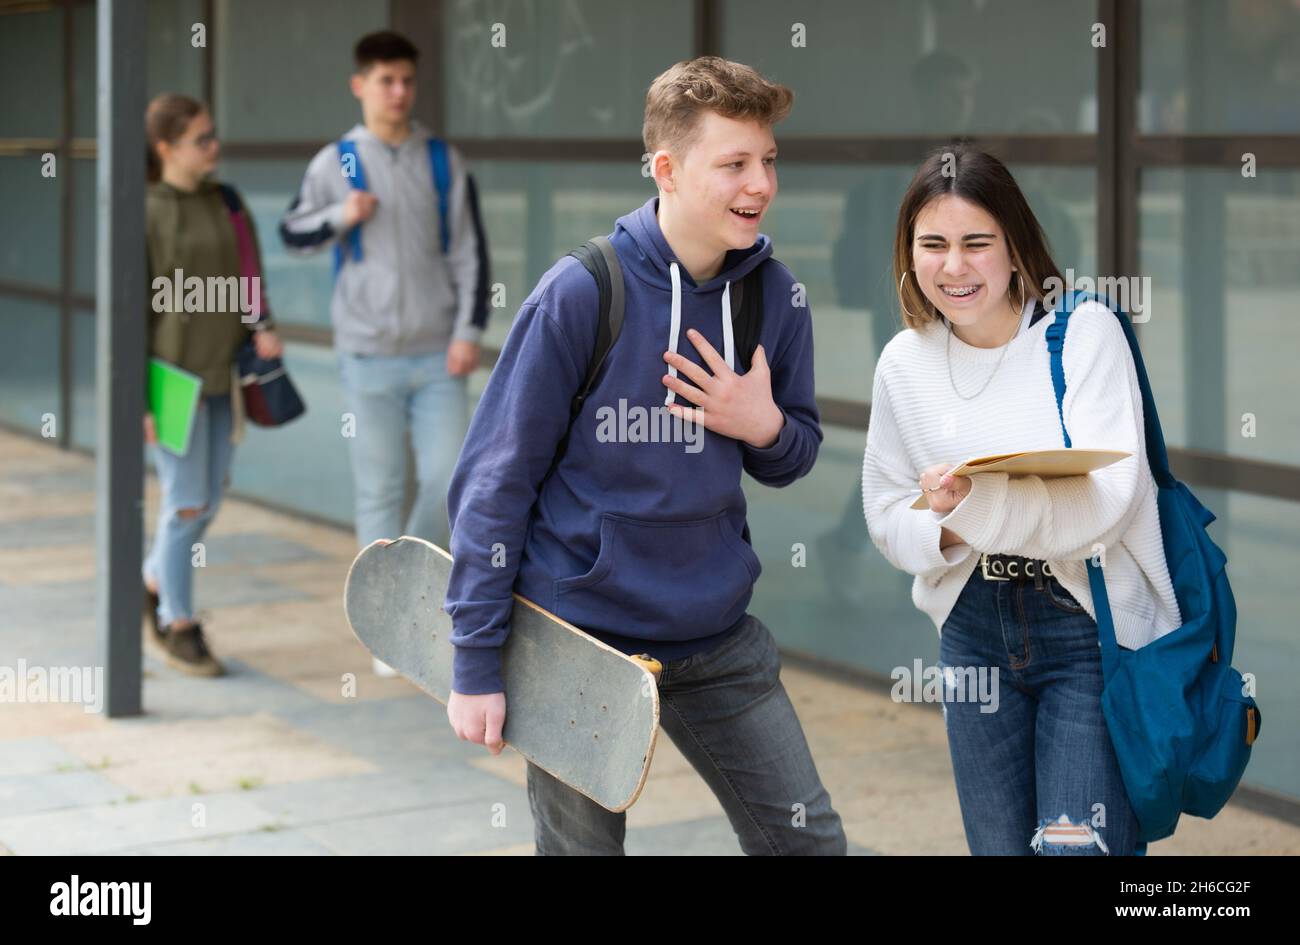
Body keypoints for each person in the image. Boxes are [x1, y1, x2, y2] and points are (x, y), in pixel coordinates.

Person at [443, 56, 846, 855]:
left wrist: (759, 423)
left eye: (767, 160)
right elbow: (496, 481)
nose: (760, 183)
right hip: (581, 644)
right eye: (734, 163)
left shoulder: (773, 297)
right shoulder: (581, 292)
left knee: (809, 843)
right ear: (666, 168)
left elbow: (791, 455)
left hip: (717, 633)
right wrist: (475, 659)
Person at [861, 145, 1181, 855]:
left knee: (1076, 848)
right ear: (908, 254)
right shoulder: (903, 362)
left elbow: (1109, 501)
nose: (954, 266)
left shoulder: (1083, 334)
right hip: (971, 629)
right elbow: (886, 512)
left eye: (977, 243)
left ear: (1015, 246)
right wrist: (947, 526)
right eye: (933, 244)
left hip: (1086, 631)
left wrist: (971, 505)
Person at [279, 30, 489, 675]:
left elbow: (469, 252)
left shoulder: (441, 160)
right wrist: (343, 213)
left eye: (406, 81)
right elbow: (293, 231)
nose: (398, 93)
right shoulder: (339, 161)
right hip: (366, 355)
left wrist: (467, 333)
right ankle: (383, 630)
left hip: (436, 356)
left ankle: (418, 602)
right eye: (384, 81)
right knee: (379, 489)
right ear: (360, 85)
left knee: (452, 478)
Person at [142, 93, 283, 675]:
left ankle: (151, 578)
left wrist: (262, 324)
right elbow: (132, 309)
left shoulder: (228, 201)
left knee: (210, 497)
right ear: (166, 147)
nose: (213, 146)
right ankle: (177, 621)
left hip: (225, 374)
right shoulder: (144, 209)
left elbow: (250, 274)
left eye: (213, 134)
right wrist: (138, 402)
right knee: (185, 503)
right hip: (172, 381)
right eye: (200, 139)